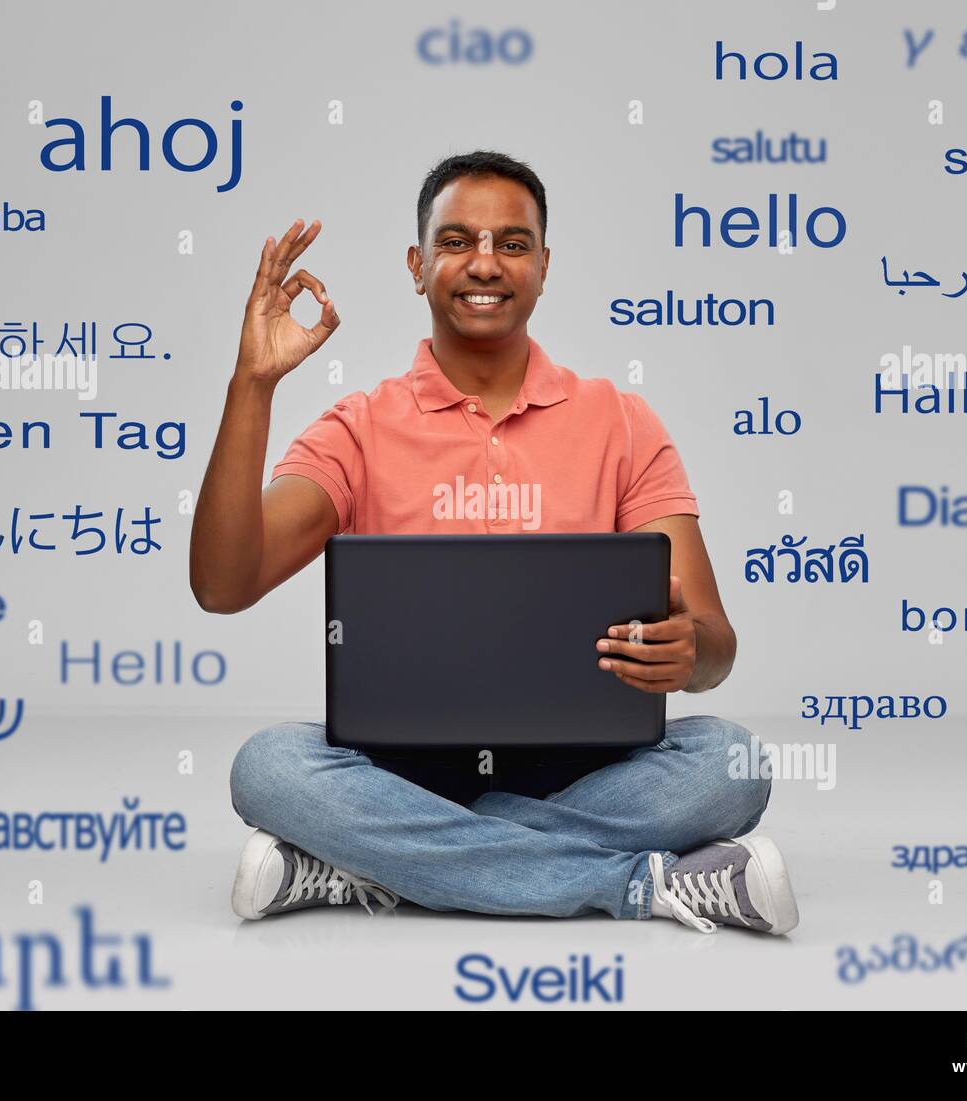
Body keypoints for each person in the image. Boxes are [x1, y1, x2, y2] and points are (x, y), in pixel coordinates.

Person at [190, 150, 799, 936]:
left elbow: (716, 645)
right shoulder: (359, 428)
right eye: (457, 241)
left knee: (728, 762)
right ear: (418, 266)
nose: (486, 262)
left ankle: (368, 861)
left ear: (544, 267)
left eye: (513, 244)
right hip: (402, 769)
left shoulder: (621, 420)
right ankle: (642, 884)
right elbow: (222, 583)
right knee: (269, 766)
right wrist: (253, 383)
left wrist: (691, 650)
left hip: (584, 768)